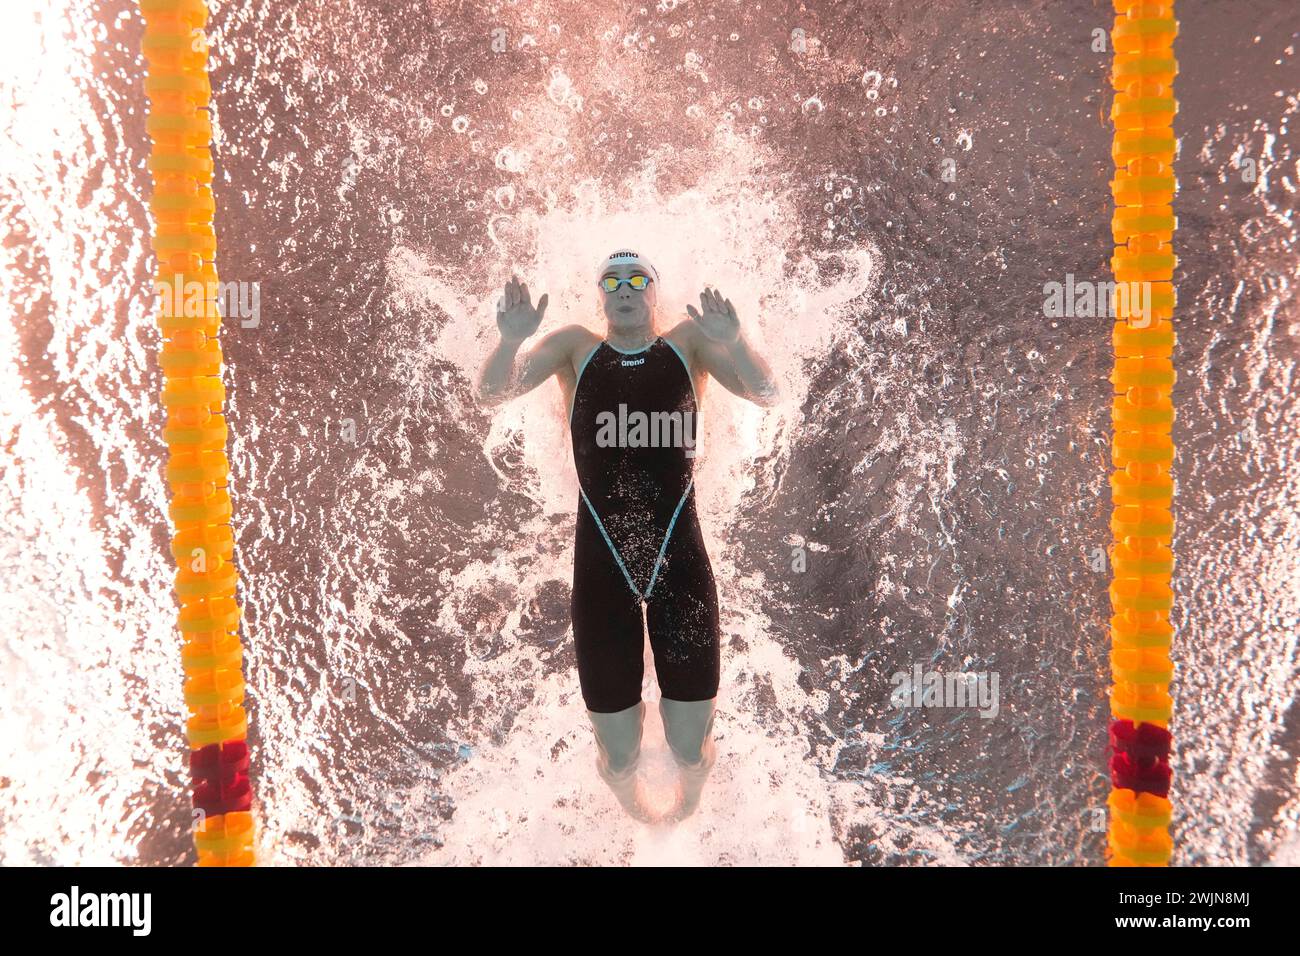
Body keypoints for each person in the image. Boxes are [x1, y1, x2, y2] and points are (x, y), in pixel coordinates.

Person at [475, 249, 780, 821]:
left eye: (637, 279)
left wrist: (736, 343)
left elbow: (766, 394)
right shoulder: (574, 347)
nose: (625, 288)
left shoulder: (690, 342)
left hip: (680, 567)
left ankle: (688, 802)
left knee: (691, 749)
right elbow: (490, 395)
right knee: (618, 756)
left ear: (653, 294)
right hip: (601, 574)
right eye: (612, 280)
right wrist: (509, 341)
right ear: (600, 295)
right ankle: (634, 807)